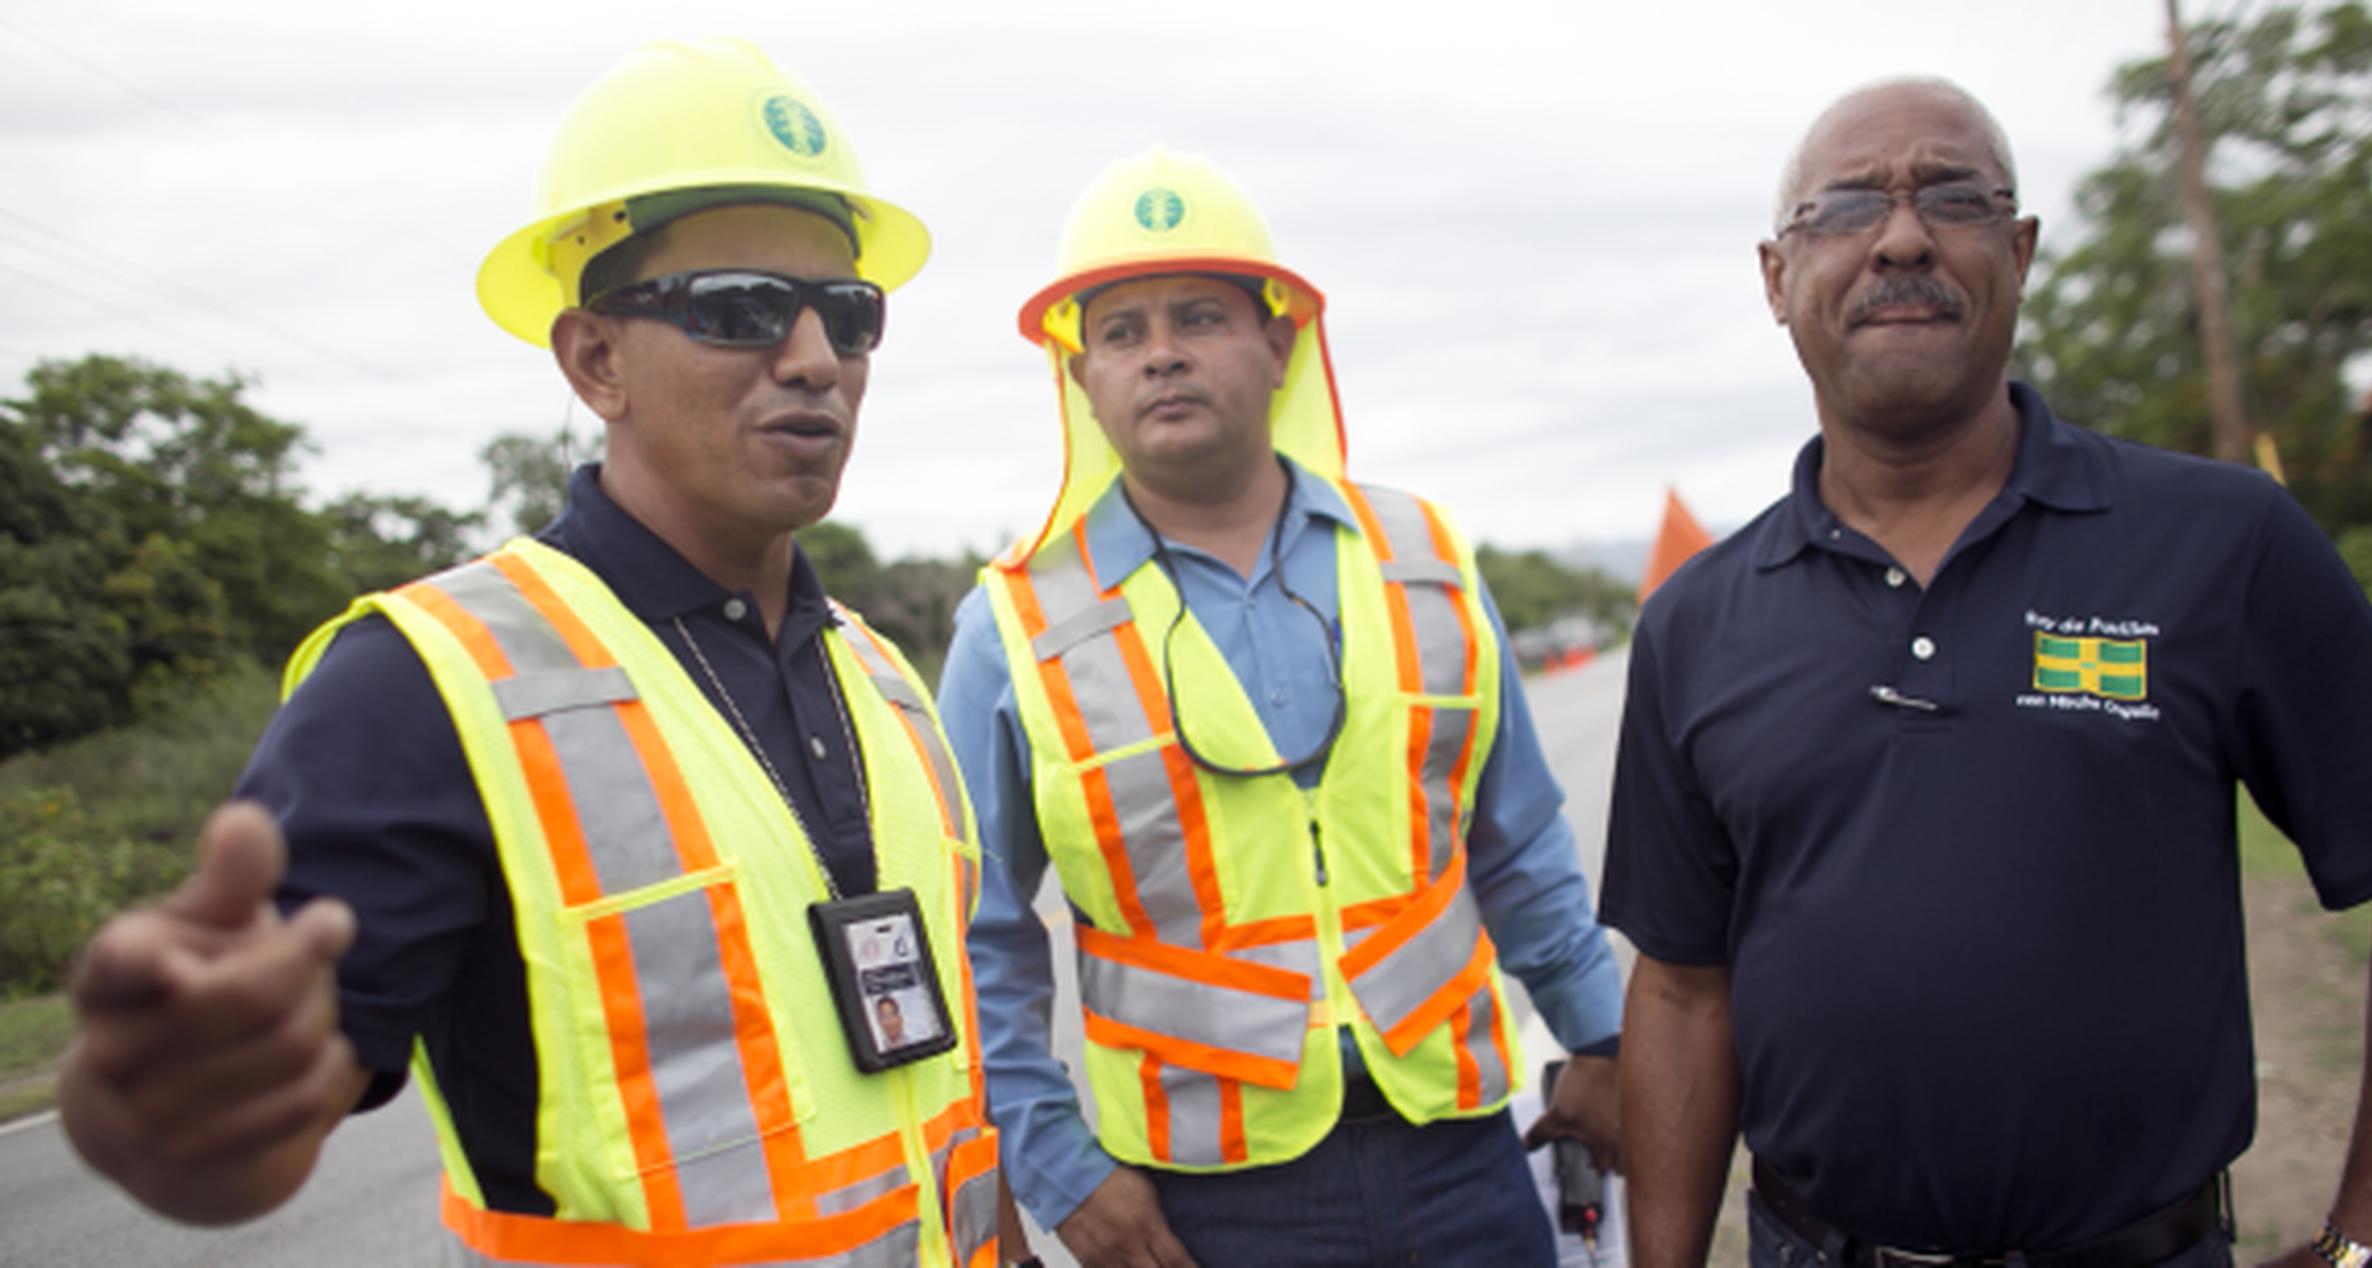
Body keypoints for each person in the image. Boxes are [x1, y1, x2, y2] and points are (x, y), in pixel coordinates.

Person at [56, 39, 1003, 1266]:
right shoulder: (430, 681)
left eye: (850, 316)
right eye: (741, 308)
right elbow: (236, 1095)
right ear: (594, 359)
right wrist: (164, 1109)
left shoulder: (882, 678)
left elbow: (937, 1103)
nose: (816, 356)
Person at [1602, 76, 2372, 1268]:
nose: (1900, 236)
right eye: (1843, 209)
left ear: (2019, 251)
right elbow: (1681, 992)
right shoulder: (1693, 621)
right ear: (1778, 279)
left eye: (1953, 196)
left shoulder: (2221, 539)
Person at [935, 146, 1625, 1268]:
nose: (1160, 353)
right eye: (1120, 331)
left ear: (1280, 342)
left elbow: (1518, 838)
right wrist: (1058, 1168)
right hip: (1206, 1211)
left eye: (1198, 316)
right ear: (1083, 377)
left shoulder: (1428, 561)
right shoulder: (1008, 631)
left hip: (1464, 1163)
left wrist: (1602, 1034)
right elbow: (977, 942)